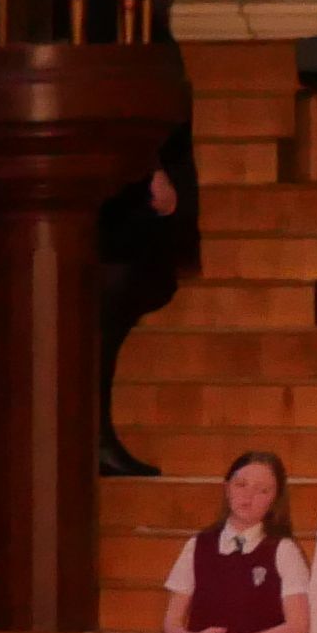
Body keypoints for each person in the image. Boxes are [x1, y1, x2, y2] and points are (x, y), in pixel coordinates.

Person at [97, 122, 199, 478]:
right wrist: (150, 165)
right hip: (122, 172)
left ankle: (98, 437)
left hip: (138, 157)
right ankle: (95, 439)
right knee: (105, 315)